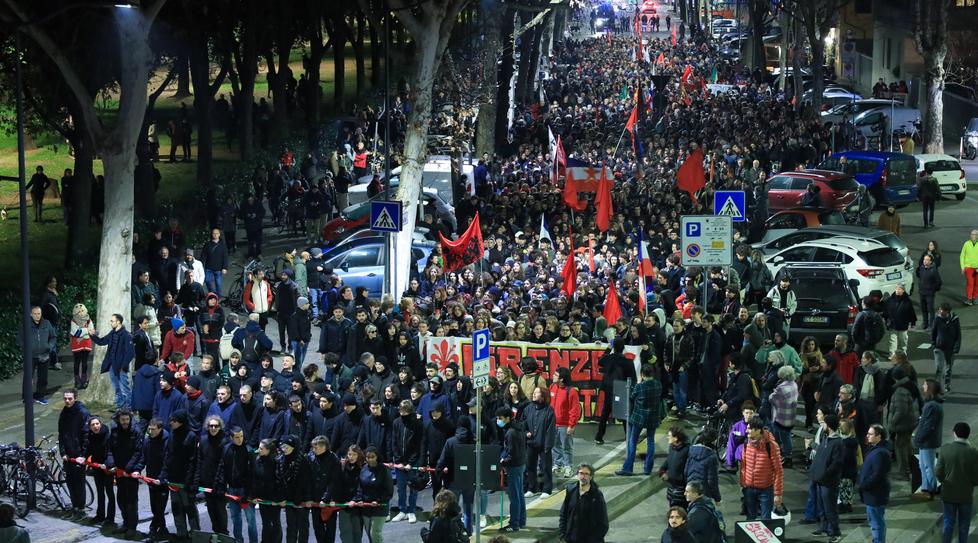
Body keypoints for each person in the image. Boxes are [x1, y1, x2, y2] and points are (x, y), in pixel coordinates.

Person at [127, 417, 169, 541]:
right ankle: (162, 528)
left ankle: (153, 529)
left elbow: (168, 462)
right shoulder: (147, 441)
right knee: (154, 507)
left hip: (163, 481)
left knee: (160, 507)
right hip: (151, 479)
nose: (150, 431)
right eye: (149, 429)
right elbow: (143, 458)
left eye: (153, 429)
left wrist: (162, 478)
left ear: (160, 429)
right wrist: (137, 470)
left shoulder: (167, 441)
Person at [617, 363, 661, 476]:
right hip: (653, 417)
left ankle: (628, 468)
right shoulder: (658, 384)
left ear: (641, 374)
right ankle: (648, 469)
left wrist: (638, 383)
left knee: (632, 441)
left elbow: (632, 396)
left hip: (639, 417)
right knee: (650, 441)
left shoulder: (639, 386)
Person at [937, 422, 978, 543]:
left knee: (948, 523)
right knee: (964, 525)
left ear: (954, 433)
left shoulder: (945, 449)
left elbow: (938, 471)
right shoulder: (973, 453)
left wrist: (943, 480)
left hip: (949, 493)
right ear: (968, 435)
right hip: (965, 495)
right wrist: (971, 483)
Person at [739, 416, 784, 520]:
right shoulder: (747, 443)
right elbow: (743, 466)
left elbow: (778, 471)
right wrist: (743, 483)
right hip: (749, 489)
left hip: (766, 490)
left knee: (766, 520)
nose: (746, 431)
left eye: (750, 428)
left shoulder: (771, 446)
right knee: (750, 519)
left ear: (758, 430)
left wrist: (778, 494)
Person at [166, 410, 201, 539]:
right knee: (176, 509)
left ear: (181, 421)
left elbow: (193, 460)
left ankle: (196, 534)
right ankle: (181, 534)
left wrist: (190, 480)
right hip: (173, 480)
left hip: (186, 481)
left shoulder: (191, 436)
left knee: (190, 509)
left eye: (174, 420)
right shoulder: (172, 434)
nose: (171, 423)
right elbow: (169, 454)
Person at [810, 413, 844, 542]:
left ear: (829, 426)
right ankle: (823, 527)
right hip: (819, 479)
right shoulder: (825, 438)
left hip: (828, 482)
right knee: (822, 508)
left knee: (830, 508)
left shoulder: (837, 443)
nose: (822, 425)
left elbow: (836, 464)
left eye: (824, 423)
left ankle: (835, 532)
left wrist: (824, 474)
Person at [91, 313, 135, 410]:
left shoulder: (127, 335)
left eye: (112, 321)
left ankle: (128, 409)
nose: (111, 322)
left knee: (125, 389)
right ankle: (119, 408)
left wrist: (123, 366)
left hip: (121, 367)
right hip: (112, 366)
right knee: (117, 389)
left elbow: (130, 353)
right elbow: (102, 341)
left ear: (118, 321)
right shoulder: (112, 333)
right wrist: (93, 336)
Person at [222, 425, 258, 543]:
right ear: (231, 438)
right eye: (237, 437)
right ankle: (238, 541)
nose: (240, 439)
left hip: (245, 490)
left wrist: (248, 494)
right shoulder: (226, 449)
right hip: (232, 489)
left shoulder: (249, 450)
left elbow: (252, 475)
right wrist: (224, 486)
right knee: (235, 519)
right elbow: (222, 468)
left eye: (241, 436)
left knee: (251, 520)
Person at [108, 410, 141, 539]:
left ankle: (132, 527)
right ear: (119, 420)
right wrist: (111, 463)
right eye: (123, 420)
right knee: (121, 499)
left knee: (131, 502)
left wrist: (129, 467)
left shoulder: (136, 432)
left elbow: (138, 452)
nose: (125, 422)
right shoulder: (115, 432)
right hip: (119, 471)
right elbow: (110, 449)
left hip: (130, 472)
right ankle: (125, 523)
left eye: (127, 419)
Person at [594, 340, 635, 444]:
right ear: (623, 349)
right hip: (621, 389)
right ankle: (628, 436)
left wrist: (608, 349)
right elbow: (632, 378)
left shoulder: (608, 358)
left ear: (614, 348)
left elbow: (600, 362)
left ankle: (599, 436)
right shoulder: (627, 362)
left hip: (608, 389)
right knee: (624, 413)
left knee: (605, 413)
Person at [58, 389, 90, 520]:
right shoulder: (64, 413)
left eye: (70, 398)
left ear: (75, 398)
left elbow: (86, 436)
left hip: (78, 455)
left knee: (79, 483)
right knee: (70, 482)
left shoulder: (82, 413)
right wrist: (63, 452)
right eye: (65, 398)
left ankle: (81, 509)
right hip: (68, 455)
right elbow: (61, 434)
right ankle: (75, 507)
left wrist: (83, 455)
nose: (67, 401)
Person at [558, 463, 609, 543]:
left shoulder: (596, 495)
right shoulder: (571, 490)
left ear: (591, 477)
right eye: (581, 473)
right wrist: (562, 535)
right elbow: (563, 514)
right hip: (571, 538)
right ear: (577, 475)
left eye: (586, 474)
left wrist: (594, 540)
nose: (583, 477)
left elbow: (603, 523)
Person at [277, 434, 314, 543]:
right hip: (289, 500)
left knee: (303, 528)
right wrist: (282, 497)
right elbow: (280, 480)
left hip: (301, 500)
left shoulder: (303, 460)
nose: (284, 450)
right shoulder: (281, 460)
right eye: (283, 447)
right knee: (291, 527)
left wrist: (307, 499)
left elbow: (307, 482)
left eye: (287, 447)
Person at [391, 399, 423, 523]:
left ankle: (412, 510)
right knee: (400, 488)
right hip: (399, 461)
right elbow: (394, 442)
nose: (402, 413)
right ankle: (402, 510)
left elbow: (418, 445)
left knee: (413, 487)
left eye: (405, 411)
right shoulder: (396, 423)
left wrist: (411, 462)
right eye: (401, 410)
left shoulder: (417, 424)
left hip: (412, 462)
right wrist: (398, 460)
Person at [886, 366, 920, 481]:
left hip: (903, 424)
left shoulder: (900, 391)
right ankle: (911, 468)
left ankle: (904, 472)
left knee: (900, 448)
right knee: (907, 446)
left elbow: (901, 411)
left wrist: (892, 424)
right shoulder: (910, 384)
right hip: (910, 422)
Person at [859, 423, 891, 543]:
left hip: (875, 494)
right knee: (875, 521)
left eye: (870, 434)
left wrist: (865, 485)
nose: (867, 436)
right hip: (873, 493)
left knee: (876, 523)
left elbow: (878, 474)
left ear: (879, 436)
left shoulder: (880, 453)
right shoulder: (876, 450)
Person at [497, 406, 527, 532]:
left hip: (514, 466)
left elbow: (511, 453)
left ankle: (514, 524)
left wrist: (504, 461)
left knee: (514, 496)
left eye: (500, 418)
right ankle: (521, 520)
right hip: (520, 464)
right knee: (519, 494)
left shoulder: (510, 433)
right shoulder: (517, 428)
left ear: (508, 418)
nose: (498, 420)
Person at [913, 379, 944, 499]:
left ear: (930, 388)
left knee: (927, 466)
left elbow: (928, 426)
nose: (923, 386)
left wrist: (918, 438)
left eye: (925, 384)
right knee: (923, 464)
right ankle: (926, 487)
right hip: (927, 440)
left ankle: (931, 489)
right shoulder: (933, 404)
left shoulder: (931, 405)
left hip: (927, 441)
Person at [523, 386, 557, 497]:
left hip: (543, 444)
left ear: (543, 396)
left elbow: (550, 430)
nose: (534, 394)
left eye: (537, 393)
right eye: (534, 392)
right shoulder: (528, 408)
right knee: (530, 466)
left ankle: (547, 489)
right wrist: (526, 432)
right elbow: (522, 424)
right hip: (531, 443)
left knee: (545, 467)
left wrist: (548, 445)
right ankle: (532, 488)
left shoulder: (549, 410)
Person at [83, 416, 116, 528]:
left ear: (100, 424)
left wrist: (108, 465)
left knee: (110, 493)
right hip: (97, 467)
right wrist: (84, 458)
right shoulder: (91, 436)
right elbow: (89, 449)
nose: (95, 426)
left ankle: (110, 518)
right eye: (93, 425)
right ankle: (100, 515)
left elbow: (111, 451)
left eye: (97, 424)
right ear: (90, 427)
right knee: (100, 492)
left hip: (107, 468)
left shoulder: (108, 435)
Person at [21, 306, 56, 404]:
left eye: (39, 314)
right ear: (31, 314)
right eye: (35, 314)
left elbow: (53, 337)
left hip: (44, 355)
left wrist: (49, 347)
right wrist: (25, 349)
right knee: (28, 377)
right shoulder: (26, 324)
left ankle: (40, 396)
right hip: (30, 356)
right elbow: (20, 338)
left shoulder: (47, 323)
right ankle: (27, 397)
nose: (37, 316)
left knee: (43, 377)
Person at [359, 446, 395, 543]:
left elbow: (389, 491)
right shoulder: (363, 469)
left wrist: (378, 500)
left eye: (372, 457)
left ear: (377, 457)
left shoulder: (384, 470)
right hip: (366, 507)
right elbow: (360, 487)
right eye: (368, 457)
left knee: (374, 533)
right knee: (369, 534)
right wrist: (360, 499)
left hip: (380, 506)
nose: (370, 459)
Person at [550, 367, 581, 478]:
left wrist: (571, 425)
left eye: (556, 374)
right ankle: (557, 465)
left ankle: (568, 466)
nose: (553, 375)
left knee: (567, 447)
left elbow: (574, 410)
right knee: (555, 446)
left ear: (562, 379)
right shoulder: (552, 387)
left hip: (564, 425)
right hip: (553, 424)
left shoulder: (571, 391)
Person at [659, 427, 691, 508]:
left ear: (676, 438)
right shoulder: (672, 447)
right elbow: (669, 459)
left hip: (680, 487)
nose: (667, 437)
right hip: (671, 484)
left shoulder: (686, 450)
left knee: (681, 509)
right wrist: (662, 470)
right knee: (672, 506)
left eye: (669, 436)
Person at [932, 303, 961, 392]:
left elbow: (958, 334)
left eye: (942, 310)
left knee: (949, 368)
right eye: (940, 309)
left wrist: (957, 347)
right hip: (939, 347)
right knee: (938, 368)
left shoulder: (955, 320)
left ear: (947, 311)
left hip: (950, 348)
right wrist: (934, 344)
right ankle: (937, 388)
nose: (940, 311)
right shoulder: (937, 318)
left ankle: (947, 384)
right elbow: (933, 332)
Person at [884, 284, 915, 356]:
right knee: (892, 340)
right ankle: (892, 354)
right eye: (897, 289)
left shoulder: (907, 301)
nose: (898, 290)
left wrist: (913, 322)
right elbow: (886, 311)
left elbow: (911, 312)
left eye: (900, 289)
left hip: (903, 323)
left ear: (903, 290)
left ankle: (903, 352)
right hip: (893, 323)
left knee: (903, 339)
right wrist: (886, 319)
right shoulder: (890, 300)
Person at [201, 228, 229, 297]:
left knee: (218, 284)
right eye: (214, 233)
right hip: (209, 268)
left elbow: (225, 257)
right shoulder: (207, 244)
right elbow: (203, 256)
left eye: (217, 233)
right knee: (207, 281)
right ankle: (213, 294)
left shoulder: (223, 245)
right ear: (212, 234)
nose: (215, 235)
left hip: (218, 269)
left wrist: (224, 267)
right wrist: (200, 265)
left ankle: (218, 296)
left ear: (219, 234)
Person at [917, 254, 942, 329]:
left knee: (930, 310)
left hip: (929, 294)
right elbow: (919, 276)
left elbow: (939, 282)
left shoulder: (933, 270)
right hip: (922, 292)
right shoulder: (921, 268)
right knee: (923, 309)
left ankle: (932, 325)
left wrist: (932, 289)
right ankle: (925, 323)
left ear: (931, 261)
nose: (925, 261)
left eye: (927, 260)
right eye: (924, 259)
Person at [959, 229, 978, 305]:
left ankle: (975, 298)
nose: (972, 236)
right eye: (971, 234)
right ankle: (969, 298)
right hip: (968, 267)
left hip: (977, 268)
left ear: (977, 236)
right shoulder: (966, 244)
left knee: (977, 284)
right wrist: (963, 267)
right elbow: (962, 255)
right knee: (970, 283)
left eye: (974, 234)